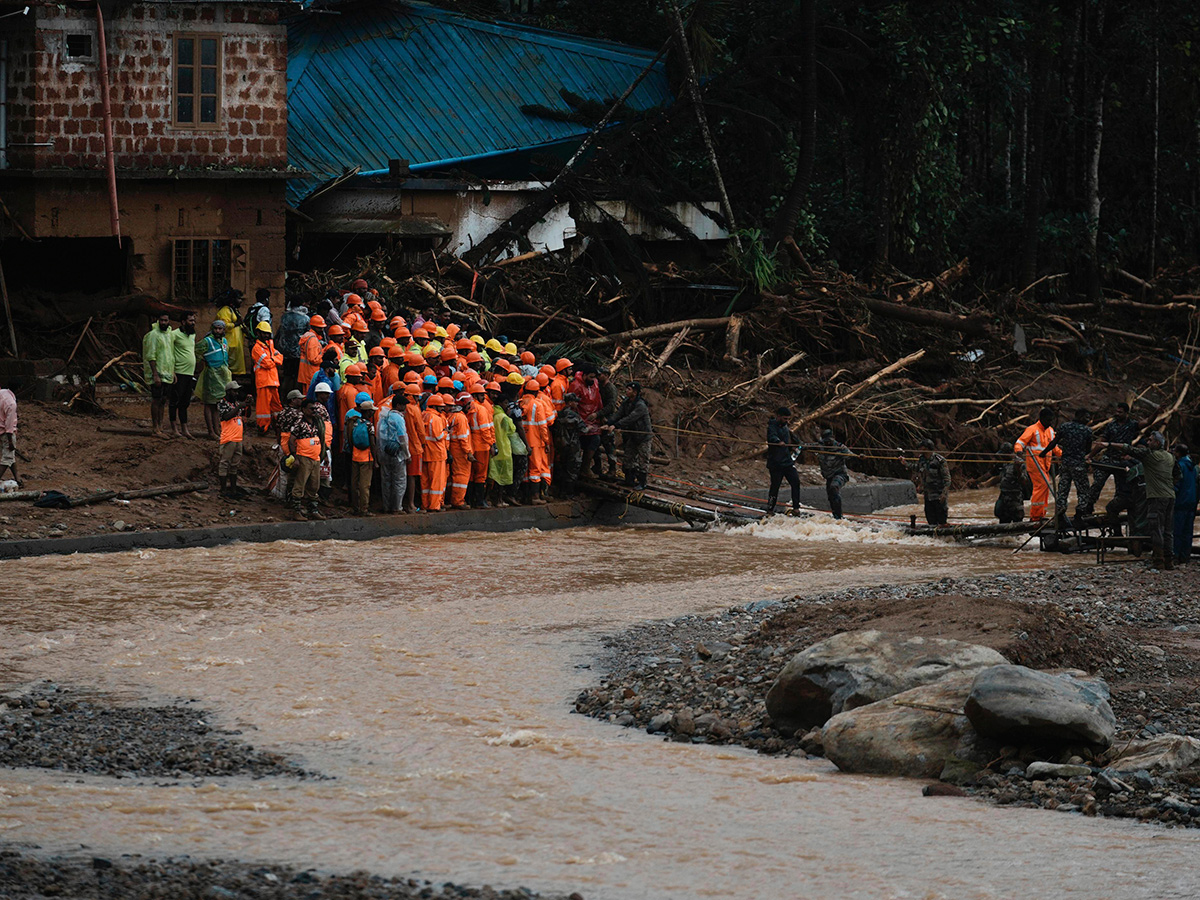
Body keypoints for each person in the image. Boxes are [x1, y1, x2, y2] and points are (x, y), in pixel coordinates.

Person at [1102, 431, 1179, 569]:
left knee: (1156, 530)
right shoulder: (1170, 457)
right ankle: (1169, 561)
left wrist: (1107, 444)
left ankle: (1158, 562)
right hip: (1170, 496)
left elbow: (1129, 449)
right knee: (1168, 530)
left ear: (1157, 443)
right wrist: (1168, 485)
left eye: (1150, 440)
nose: (1148, 443)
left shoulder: (1149, 455)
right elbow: (1178, 475)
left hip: (1156, 497)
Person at [1042, 407, 1093, 526]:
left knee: (1063, 489)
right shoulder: (1087, 431)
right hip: (1079, 465)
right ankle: (1079, 515)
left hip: (1065, 464)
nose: (1088, 420)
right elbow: (1088, 450)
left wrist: (1043, 453)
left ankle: (1060, 513)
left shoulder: (1064, 427)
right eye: (1087, 418)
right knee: (1083, 491)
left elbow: (1054, 442)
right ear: (1079, 416)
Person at [1086, 402, 1140, 511]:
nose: (1117, 414)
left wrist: (1157, 412)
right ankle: (1088, 506)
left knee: (1122, 488)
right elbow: (1102, 442)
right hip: (1108, 458)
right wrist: (1090, 455)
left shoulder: (1132, 425)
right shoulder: (1111, 425)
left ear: (1126, 413)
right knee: (1097, 483)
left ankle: (1115, 509)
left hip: (1122, 461)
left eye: (1120, 412)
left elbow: (1147, 422)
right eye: (1117, 412)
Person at [1014, 407, 1060, 521]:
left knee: (1045, 487)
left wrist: (1066, 456)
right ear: (1042, 418)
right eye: (1048, 420)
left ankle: (1041, 514)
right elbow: (1020, 443)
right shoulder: (1032, 429)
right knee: (1042, 485)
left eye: (1051, 421)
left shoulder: (1050, 431)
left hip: (1045, 465)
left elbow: (1055, 449)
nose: (1050, 423)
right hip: (1034, 464)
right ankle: (1035, 516)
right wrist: (1019, 452)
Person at [288, 398, 328, 520]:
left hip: (315, 458)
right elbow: (291, 441)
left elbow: (321, 438)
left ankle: (313, 510)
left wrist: (324, 454)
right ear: (304, 409)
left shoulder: (316, 422)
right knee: (300, 484)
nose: (314, 411)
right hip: (303, 457)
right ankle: (296, 511)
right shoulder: (299, 423)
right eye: (311, 409)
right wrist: (295, 457)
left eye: (315, 409)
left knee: (314, 485)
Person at [608, 382, 652, 489]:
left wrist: (616, 425)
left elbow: (631, 418)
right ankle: (629, 480)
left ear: (635, 392)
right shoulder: (626, 403)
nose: (627, 391)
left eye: (629, 389)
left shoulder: (641, 405)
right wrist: (609, 423)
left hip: (643, 437)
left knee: (643, 460)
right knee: (628, 458)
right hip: (632, 436)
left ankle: (642, 483)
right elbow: (619, 414)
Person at [195, 319, 232, 440]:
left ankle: (217, 429)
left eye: (220, 329)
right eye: (215, 328)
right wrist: (204, 362)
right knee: (209, 403)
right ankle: (210, 431)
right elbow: (196, 351)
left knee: (217, 404)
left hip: (222, 377)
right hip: (211, 376)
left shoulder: (224, 341)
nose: (217, 331)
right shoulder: (207, 341)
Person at [377, 385, 409, 514]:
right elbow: (402, 437)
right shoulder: (398, 418)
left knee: (386, 480)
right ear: (399, 406)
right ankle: (397, 507)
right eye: (404, 405)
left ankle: (387, 506)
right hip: (397, 454)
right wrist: (407, 454)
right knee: (399, 481)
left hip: (384, 452)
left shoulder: (384, 416)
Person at [142, 312, 175, 434]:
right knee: (156, 399)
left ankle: (160, 426)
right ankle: (155, 427)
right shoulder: (153, 335)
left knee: (163, 400)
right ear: (158, 321)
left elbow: (171, 355)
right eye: (161, 320)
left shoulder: (169, 335)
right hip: (157, 373)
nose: (164, 323)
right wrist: (155, 374)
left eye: (166, 320)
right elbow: (151, 355)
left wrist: (173, 371)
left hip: (167, 373)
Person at [346, 397, 379, 517]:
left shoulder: (354, 423)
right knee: (365, 485)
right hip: (367, 458)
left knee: (355, 484)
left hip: (355, 457)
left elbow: (350, 439)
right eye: (372, 410)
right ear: (368, 412)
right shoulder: (369, 425)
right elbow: (372, 444)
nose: (373, 412)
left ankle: (355, 507)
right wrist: (375, 461)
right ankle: (364, 509)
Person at [216, 381, 249, 499]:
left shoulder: (236, 403)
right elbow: (226, 416)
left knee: (235, 464)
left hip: (238, 437)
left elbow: (246, 415)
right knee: (224, 463)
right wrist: (240, 406)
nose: (236, 393)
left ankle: (233, 489)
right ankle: (223, 489)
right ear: (228, 391)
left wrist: (247, 405)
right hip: (228, 438)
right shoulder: (222, 403)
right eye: (234, 391)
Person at [765, 407, 800, 515]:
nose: (787, 421)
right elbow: (771, 437)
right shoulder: (772, 426)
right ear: (778, 416)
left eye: (788, 419)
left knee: (796, 482)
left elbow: (789, 441)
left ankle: (796, 508)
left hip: (787, 462)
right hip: (775, 463)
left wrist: (792, 448)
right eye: (785, 418)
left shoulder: (786, 428)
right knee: (775, 486)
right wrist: (778, 442)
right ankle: (770, 509)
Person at [250, 322, 283, 434]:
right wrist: (274, 359)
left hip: (273, 381)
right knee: (263, 408)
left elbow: (280, 358)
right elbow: (267, 363)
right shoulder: (256, 348)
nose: (266, 335)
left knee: (277, 406)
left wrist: (272, 359)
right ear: (258, 333)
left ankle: (278, 426)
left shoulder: (270, 345)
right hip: (264, 382)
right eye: (264, 333)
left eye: (267, 333)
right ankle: (262, 428)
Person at [169, 312, 198, 438]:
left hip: (189, 373)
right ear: (183, 322)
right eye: (191, 320)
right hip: (178, 373)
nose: (193, 323)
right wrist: (172, 371)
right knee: (174, 401)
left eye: (194, 321)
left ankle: (185, 429)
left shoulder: (192, 335)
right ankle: (174, 429)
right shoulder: (174, 335)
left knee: (185, 402)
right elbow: (169, 353)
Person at [910, 438, 950, 526]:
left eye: (922, 447)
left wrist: (944, 494)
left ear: (927, 448)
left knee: (942, 521)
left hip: (939, 495)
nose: (920, 449)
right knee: (930, 520)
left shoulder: (939, 460)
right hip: (928, 495)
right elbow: (917, 468)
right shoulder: (922, 459)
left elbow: (947, 479)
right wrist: (904, 463)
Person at [815, 428, 852, 519]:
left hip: (840, 475)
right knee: (831, 497)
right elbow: (804, 446)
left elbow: (851, 455)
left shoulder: (840, 447)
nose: (828, 443)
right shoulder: (820, 446)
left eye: (829, 440)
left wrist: (860, 457)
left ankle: (839, 517)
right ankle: (836, 516)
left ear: (833, 438)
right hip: (829, 476)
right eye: (826, 441)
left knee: (834, 487)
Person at [421, 393, 449, 511]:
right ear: (435, 406)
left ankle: (426, 504)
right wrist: (446, 432)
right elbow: (438, 436)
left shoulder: (423, 415)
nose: (442, 408)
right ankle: (434, 506)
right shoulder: (436, 418)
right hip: (437, 454)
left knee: (426, 482)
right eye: (441, 406)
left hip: (426, 453)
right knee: (437, 482)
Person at [277, 295, 310, 396]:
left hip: (286, 351)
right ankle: (295, 397)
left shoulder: (284, 317)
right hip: (298, 352)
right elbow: (308, 334)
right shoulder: (305, 318)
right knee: (297, 376)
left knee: (287, 376)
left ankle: (283, 398)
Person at [489, 384, 515, 508]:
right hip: (503, 449)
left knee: (493, 476)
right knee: (501, 478)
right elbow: (512, 429)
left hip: (495, 449)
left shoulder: (492, 414)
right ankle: (498, 500)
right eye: (505, 403)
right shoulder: (503, 417)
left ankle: (492, 499)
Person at [446, 393, 473, 509]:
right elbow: (463, 437)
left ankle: (452, 499)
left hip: (454, 449)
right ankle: (458, 501)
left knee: (454, 476)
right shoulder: (460, 418)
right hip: (461, 451)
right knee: (461, 476)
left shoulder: (452, 416)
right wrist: (468, 452)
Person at [555, 393, 585, 497]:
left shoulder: (559, 414)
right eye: (575, 401)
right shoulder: (574, 416)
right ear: (570, 403)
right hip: (573, 446)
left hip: (561, 446)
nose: (577, 403)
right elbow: (583, 429)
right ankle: (569, 493)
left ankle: (561, 492)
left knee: (562, 467)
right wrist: (590, 428)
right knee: (572, 469)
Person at [1173, 443, 1197, 564]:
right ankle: (1185, 555)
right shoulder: (1193, 467)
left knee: (1177, 530)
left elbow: (1177, 484)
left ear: (1178, 453)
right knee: (1188, 531)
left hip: (1181, 501)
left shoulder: (1180, 465)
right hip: (1191, 501)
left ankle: (1176, 555)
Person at [994, 442, 1028, 524]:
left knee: (1017, 524)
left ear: (1008, 453)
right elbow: (998, 476)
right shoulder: (1004, 462)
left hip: (1015, 497)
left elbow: (1024, 481)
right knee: (1003, 522)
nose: (1001, 456)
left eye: (1003, 454)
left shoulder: (1019, 463)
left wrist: (1018, 470)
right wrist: (982, 483)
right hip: (1004, 496)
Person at [215, 289, 247, 376]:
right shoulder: (225, 311)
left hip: (236, 346)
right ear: (232, 299)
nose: (240, 301)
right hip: (230, 345)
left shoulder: (233, 310)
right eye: (239, 299)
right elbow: (223, 325)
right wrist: (236, 324)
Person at [594, 368, 618, 478]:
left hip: (608, 419)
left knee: (609, 446)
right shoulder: (598, 386)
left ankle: (612, 468)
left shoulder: (610, 388)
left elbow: (611, 406)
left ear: (607, 375)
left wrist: (600, 414)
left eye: (601, 375)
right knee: (595, 444)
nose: (599, 377)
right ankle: (597, 466)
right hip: (600, 418)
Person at [298, 315, 327, 389]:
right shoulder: (312, 339)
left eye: (322, 328)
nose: (321, 330)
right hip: (311, 374)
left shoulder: (309, 337)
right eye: (319, 328)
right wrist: (324, 354)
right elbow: (314, 359)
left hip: (307, 373)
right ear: (313, 327)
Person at [0, 378, 18, 486]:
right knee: (7, 458)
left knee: (11, 456)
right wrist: (10, 441)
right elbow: (9, 425)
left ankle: (17, 478)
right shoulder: (11, 404)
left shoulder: (2, 393)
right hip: (6, 433)